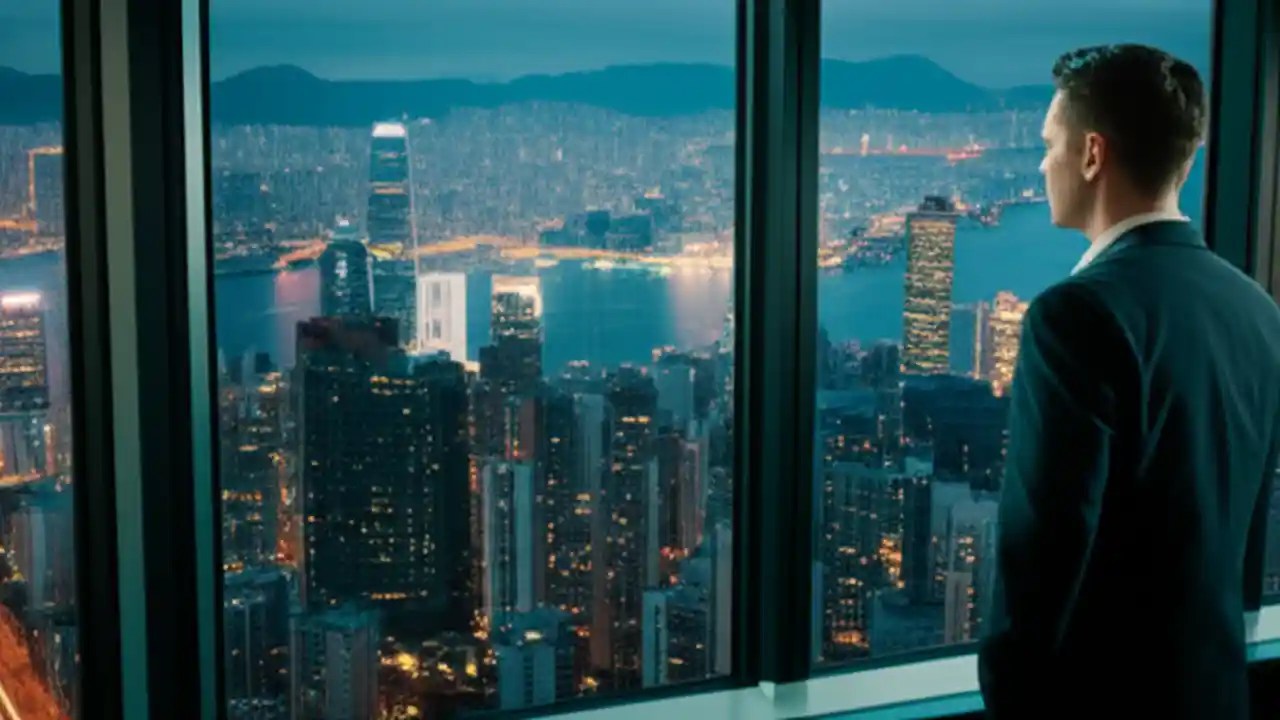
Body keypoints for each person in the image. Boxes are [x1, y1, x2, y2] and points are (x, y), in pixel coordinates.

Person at [978, 44, 1280, 719]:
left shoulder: (1075, 315)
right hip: (1215, 696)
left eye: (1048, 145)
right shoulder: (1257, 309)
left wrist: (1010, 696)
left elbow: (1043, 546)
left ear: (1092, 153)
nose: (1042, 164)